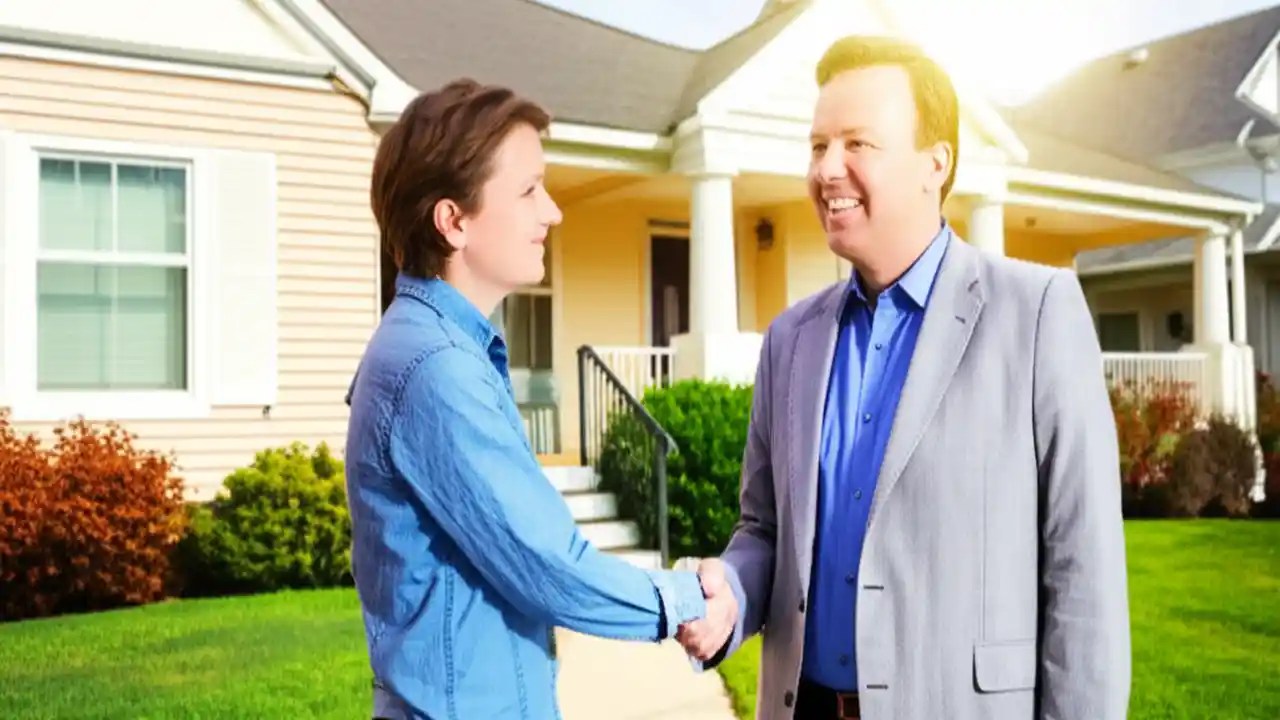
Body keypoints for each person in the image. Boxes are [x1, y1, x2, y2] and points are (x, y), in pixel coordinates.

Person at [676, 35, 1131, 720]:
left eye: (857, 144)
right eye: (817, 146)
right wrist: (731, 595)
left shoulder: (1037, 314)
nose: (827, 169)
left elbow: (1083, 573)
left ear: (935, 163)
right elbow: (764, 531)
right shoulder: (789, 341)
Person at [344, 78, 722, 720]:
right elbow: (548, 564)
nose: (553, 211)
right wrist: (685, 599)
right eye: (528, 191)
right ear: (453, 220)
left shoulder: (438, 348)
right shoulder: (436, 369)